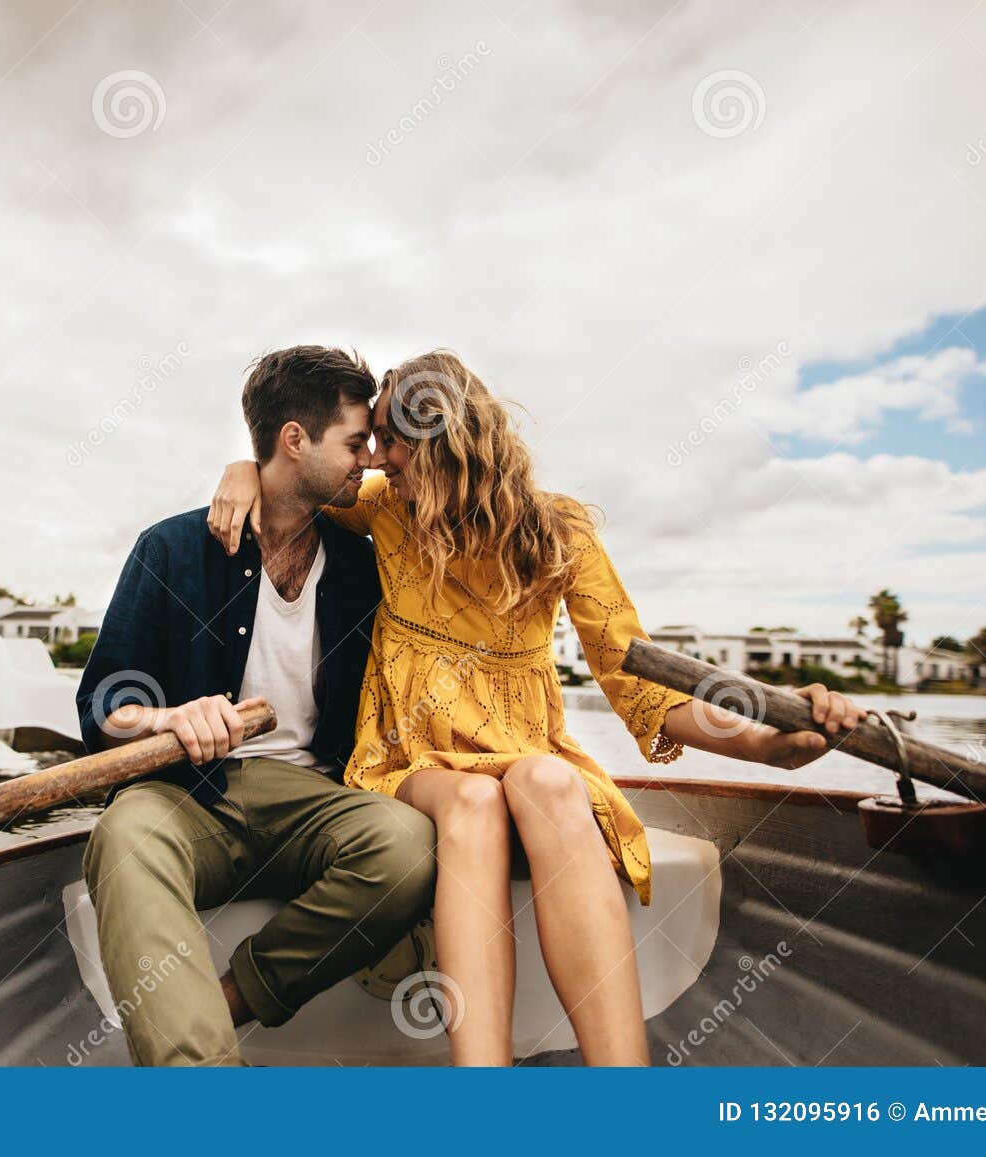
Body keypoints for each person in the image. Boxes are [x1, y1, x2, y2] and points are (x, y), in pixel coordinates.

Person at [208, 349, 867, 1066]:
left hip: (526, 753)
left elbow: (636, 683)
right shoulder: (384, 510)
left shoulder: (559, 532)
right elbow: (292, 474)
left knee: (551, 781)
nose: (377, 461)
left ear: (438, 443)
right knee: (473, 802)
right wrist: (240, 468)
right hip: (411, 756)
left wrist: (768, 746)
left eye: (389, 444)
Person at [76, 345, 437, 1066]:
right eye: (355, 441)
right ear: (295, 440)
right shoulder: (172, 548)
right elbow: (104, 699)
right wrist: (166, 717)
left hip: (312, 795)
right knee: (123, 841)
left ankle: (234, 996)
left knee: (407, 844)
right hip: (186, 791)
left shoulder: (366, 564)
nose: (368, 458)